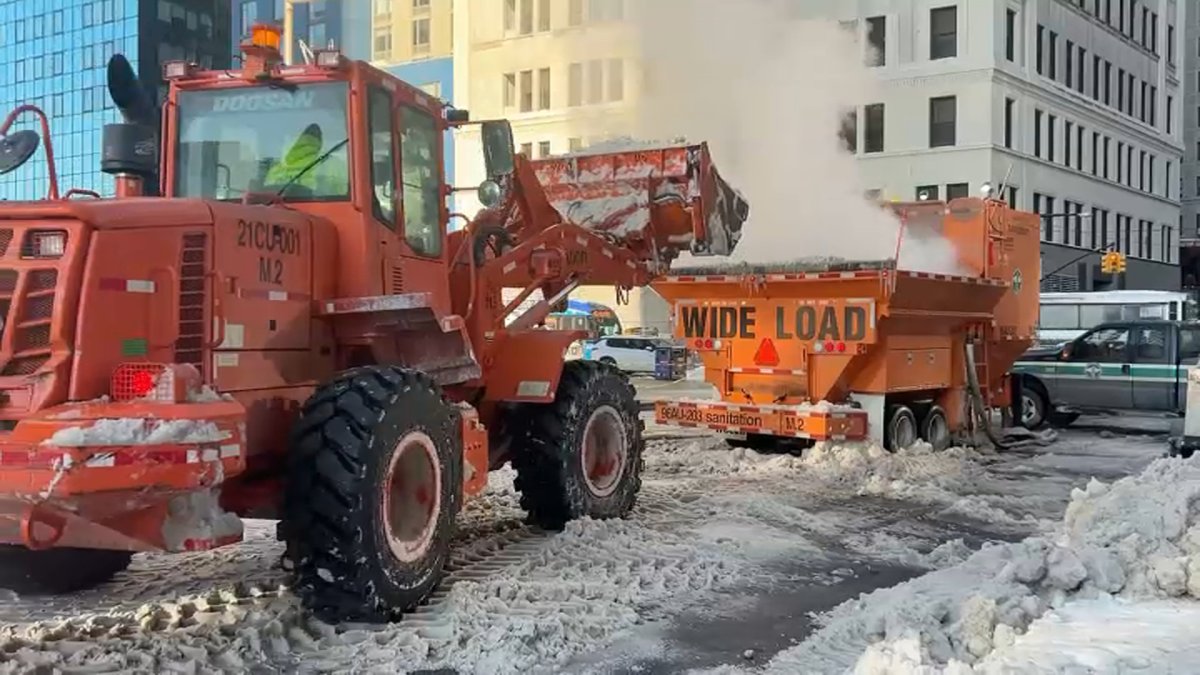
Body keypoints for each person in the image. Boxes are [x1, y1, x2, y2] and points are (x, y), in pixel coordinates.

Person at [263, 123, 348, 196]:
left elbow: (267, 197)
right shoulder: (333, 164)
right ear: (320, 140)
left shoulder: (275, 170)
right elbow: (343, 193)